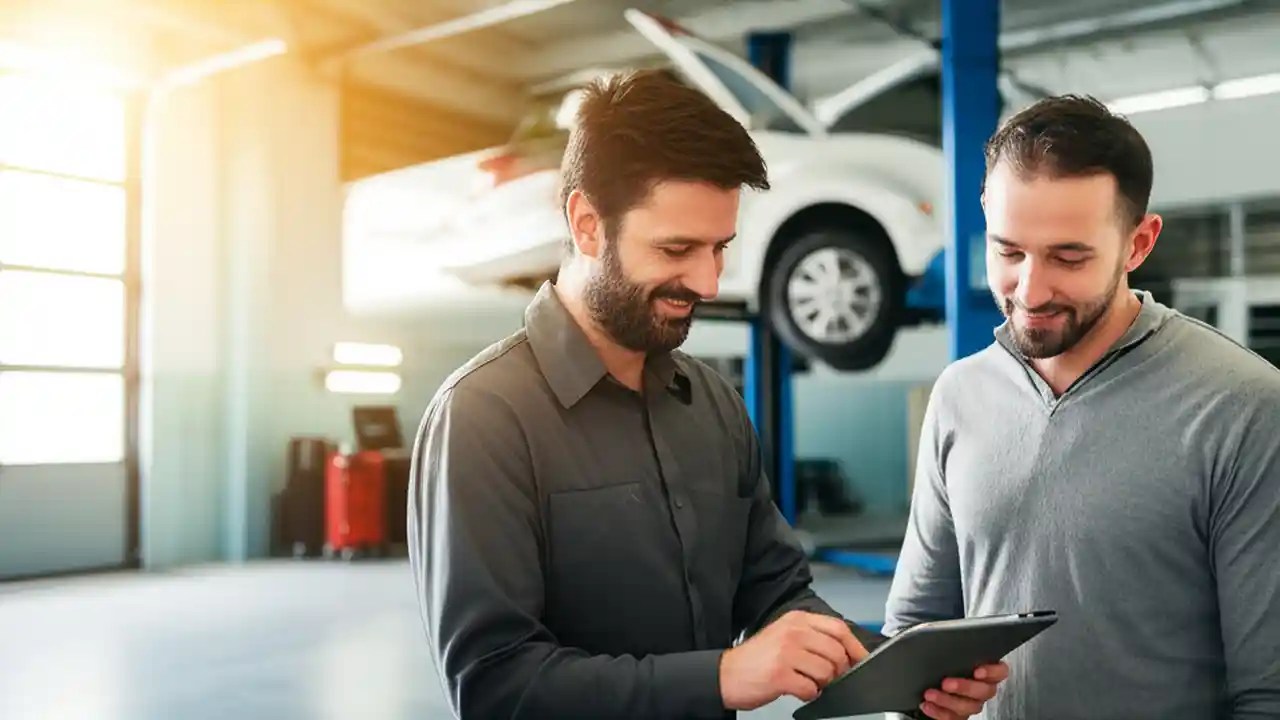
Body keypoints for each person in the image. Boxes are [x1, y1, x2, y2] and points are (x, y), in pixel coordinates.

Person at [407, 69, 1007, 720]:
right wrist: (720, 676)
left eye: (720, 247)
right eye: (677, 248)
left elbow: (777, 592)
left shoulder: (712, 404)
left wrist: (902, 671)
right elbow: (496, 686)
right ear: (586, 224)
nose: (708, 281)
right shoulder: (484, 417)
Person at [885, 94, 1280, 719]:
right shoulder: (960, 397)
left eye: (1069, 257)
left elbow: (1269, 693)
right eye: (1008, 251)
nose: (1031, 290)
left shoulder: (1243, 408)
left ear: (1138, 243)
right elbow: (913, 634)